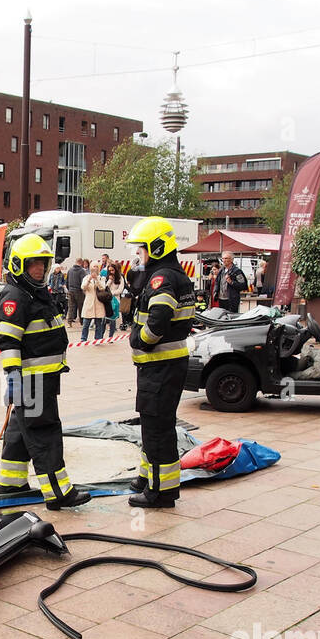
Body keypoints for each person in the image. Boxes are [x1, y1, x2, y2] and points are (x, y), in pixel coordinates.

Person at [0, 234, 89, 510]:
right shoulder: (15, 296)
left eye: (43, 264)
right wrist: (13, 379)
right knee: (44, 433)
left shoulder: (34, 291)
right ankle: (58, 493)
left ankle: (11, 485)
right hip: (32, 381)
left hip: (44, 378)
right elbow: (8, 341)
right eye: (33, 264)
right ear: (19, 266)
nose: (39, 270)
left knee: (20, 431)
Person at [127, 217, 195, 508]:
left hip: (160, 364)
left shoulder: (163, 278)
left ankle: (160, 492)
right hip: (166, 365)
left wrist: (141, 340)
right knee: (152, 423)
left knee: (158, 428)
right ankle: (147, 476)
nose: (138, 255)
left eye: (141, 250)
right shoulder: (172, 274)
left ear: (155, 247)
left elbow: (158, 319)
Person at [80, 263, 110, 342]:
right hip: (88, 303)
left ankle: (98, 339)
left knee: (98, 324)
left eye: (97, 266)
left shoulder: (102, 278)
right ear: (90, 268)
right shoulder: (86, 277)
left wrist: (96, 279)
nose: (95, 268)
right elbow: (83, 287)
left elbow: (102, 288)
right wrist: (89, 279)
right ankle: (83, 339)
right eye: (94, 266)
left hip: (98, 303)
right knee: (86, 323)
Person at [66, 258, 86, 325]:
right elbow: (83, 282)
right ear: (81, 262)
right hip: (79, 291)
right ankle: (82, 322)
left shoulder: (70, 270)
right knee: (81, 307)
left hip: (71, 291)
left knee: (71, 307)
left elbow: (67, 281)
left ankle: (69, 322)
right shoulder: (82, 271)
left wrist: (69, 289)